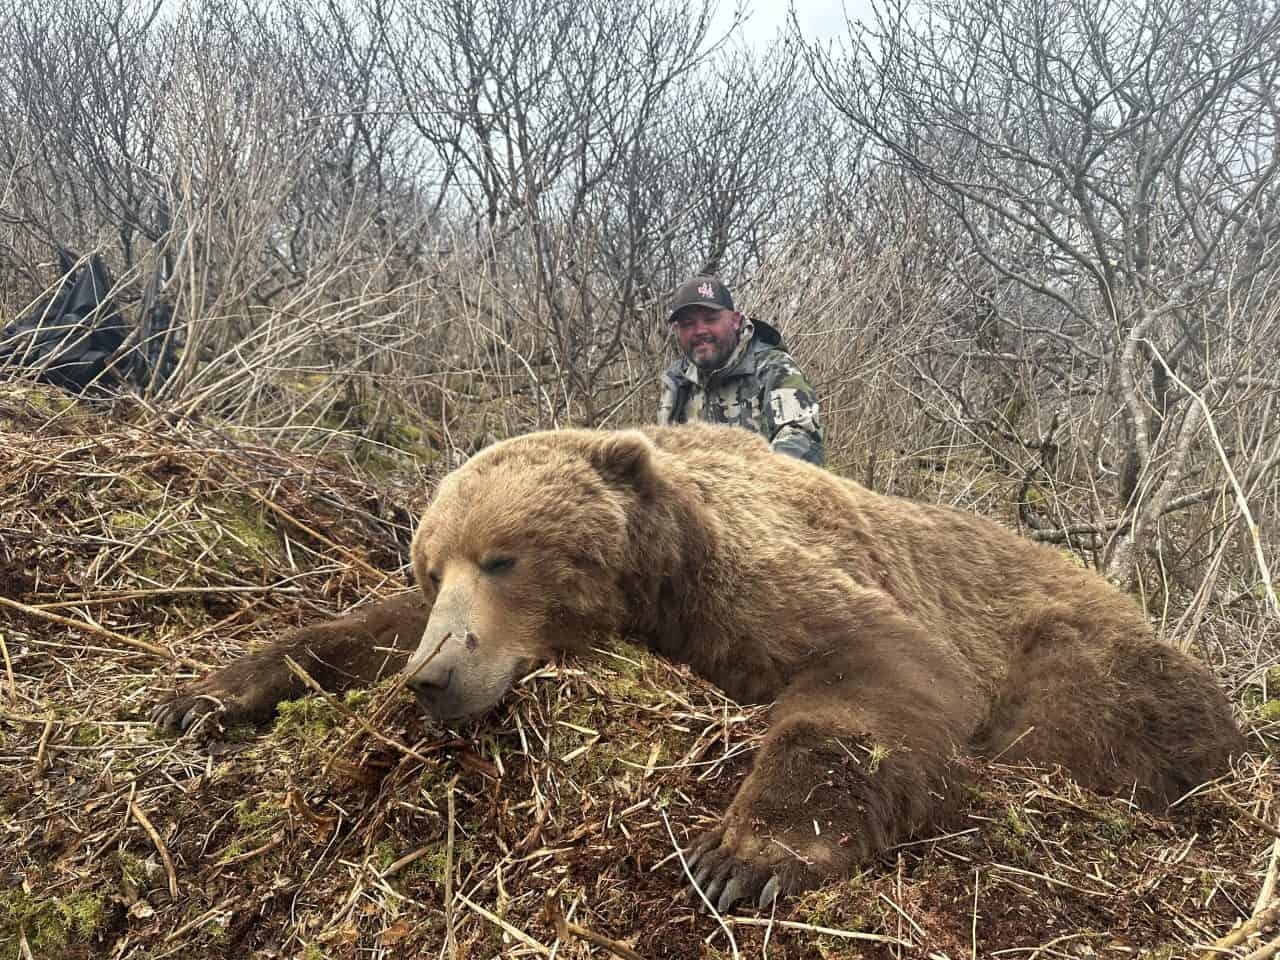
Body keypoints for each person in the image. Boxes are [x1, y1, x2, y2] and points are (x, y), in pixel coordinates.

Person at [657, 275, 825, 465]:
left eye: (710, 319)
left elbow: (802, 439)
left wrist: (753, 489)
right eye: (689, 324)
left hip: (761, 489)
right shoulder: (676, 381)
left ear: (735, 320)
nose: (700, 331)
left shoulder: (774, 368)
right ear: (677, 330)